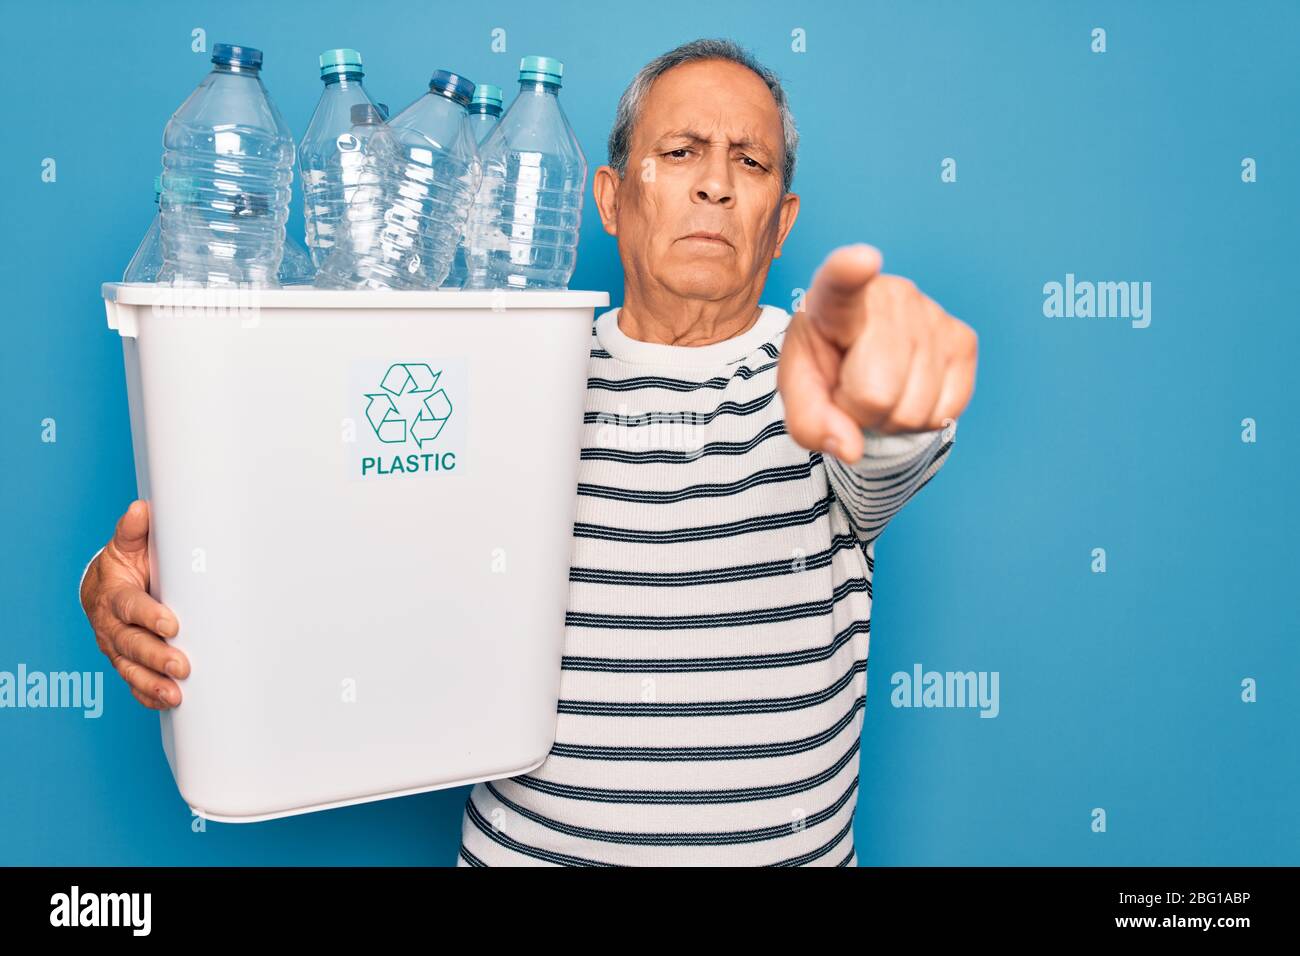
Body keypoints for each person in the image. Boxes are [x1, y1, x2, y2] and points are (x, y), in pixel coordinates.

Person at [80, 38, 977, 865]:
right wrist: (148, 583)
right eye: (680, 152)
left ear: (781, 223)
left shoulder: (817, 378)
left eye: (750, 162)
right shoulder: (501, 372)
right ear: (610, 200)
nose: (714, 184)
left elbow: (886, 432)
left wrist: (894, 384)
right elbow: (331, 523)